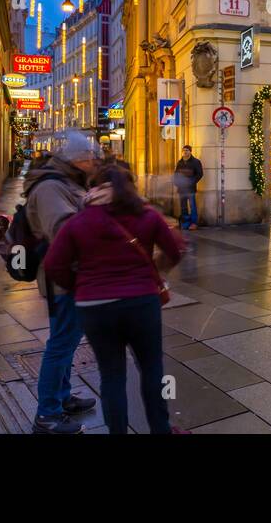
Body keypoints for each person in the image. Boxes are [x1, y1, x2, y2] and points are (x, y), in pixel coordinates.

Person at [45, 165, 187, 435]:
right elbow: (175, 249)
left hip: (94, 308)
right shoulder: (147, 215)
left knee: (111, 375)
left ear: (96, 188)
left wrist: (80, 286)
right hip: (141, 302)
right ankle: (160, 429)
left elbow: (54, 265)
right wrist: (155, 271)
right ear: (131, 186)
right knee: (151, 368)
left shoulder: (79, 221)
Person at [24, 130, 98, 434]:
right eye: (91, 156)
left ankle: (62, 397)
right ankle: (47, 415)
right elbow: (66, 232)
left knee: (65, 342)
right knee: (61, 344)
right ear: (77, 160)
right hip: (63, 278)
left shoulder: (66, 183)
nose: (95, 161)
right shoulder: (51, 187)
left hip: (72, 276)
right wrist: (97, 208)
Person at [174, 145, 203, 230]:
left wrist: (191, 182)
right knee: (183, 207)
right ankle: (185, 223)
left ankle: (194, 223)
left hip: (190, 189)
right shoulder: (180, 162)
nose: (185, 152)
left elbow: (200, 174)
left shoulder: (196, 162)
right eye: (184, 150)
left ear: (190, 151)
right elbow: (176, 174)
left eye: (187, 150)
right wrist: (177, 182)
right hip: (181, 189)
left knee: (192, 206)